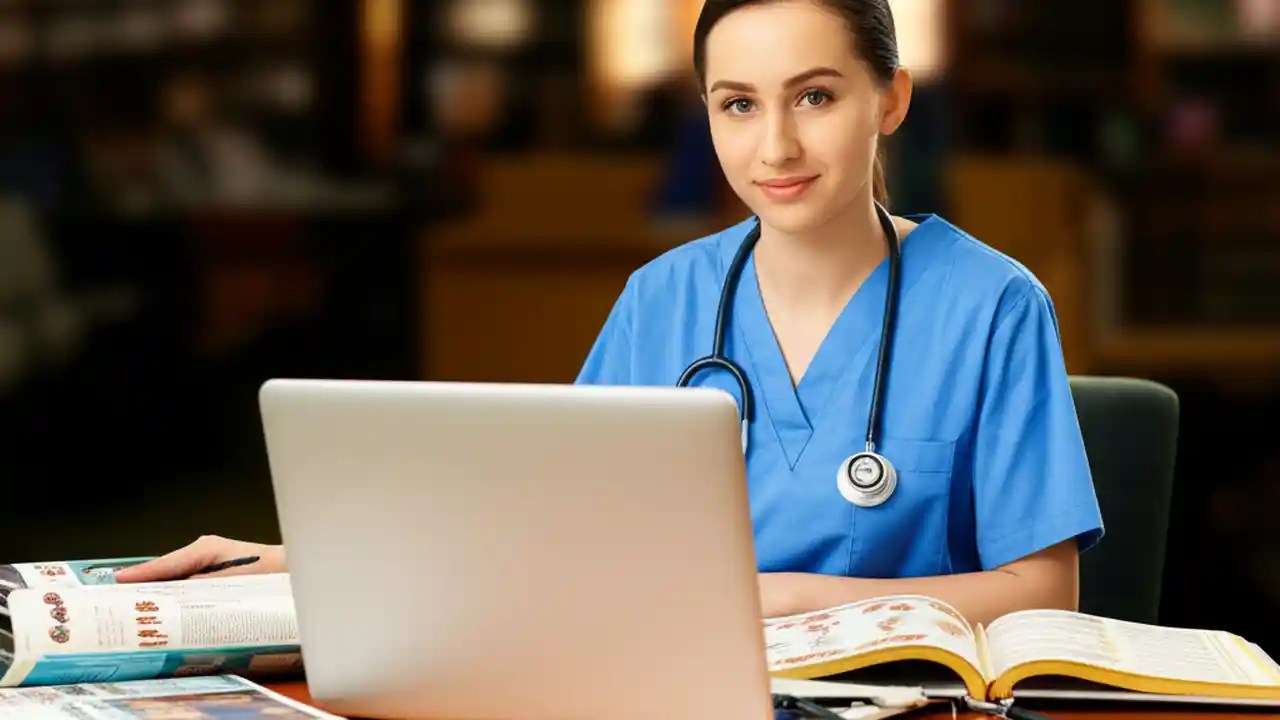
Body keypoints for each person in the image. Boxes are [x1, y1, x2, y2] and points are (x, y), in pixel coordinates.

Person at [117, 0, 1104, 627]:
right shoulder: (663, 298)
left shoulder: (992, 304)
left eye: (813, 97)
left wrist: (778, 600)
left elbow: (1040, 591)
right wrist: (285, 562)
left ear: (888, 99)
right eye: (735, 104)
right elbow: (557, 533)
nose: (773, 149)